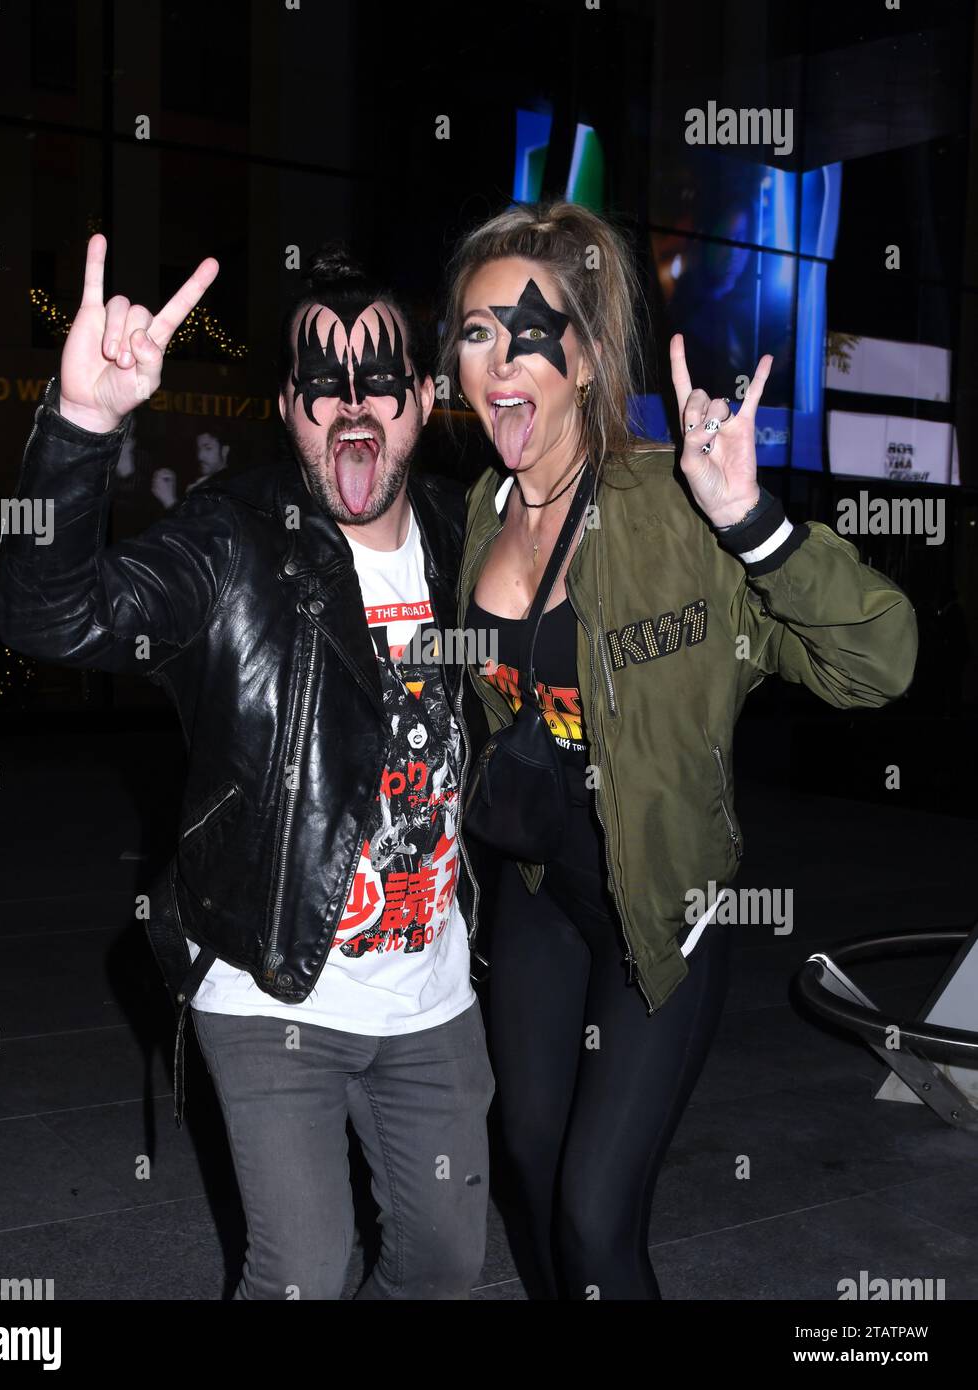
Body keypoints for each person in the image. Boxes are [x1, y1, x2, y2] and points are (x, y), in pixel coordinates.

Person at [0, 234, 495, 1301]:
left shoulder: (468, 533)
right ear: (286, 410)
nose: (352, 407)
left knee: (447, 1266)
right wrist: (82, 424)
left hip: (433, 994)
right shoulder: (232, 545)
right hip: (271, 983)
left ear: (421, 401)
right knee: (303, 1273)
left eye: (381, 384)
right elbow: (49, 614)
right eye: (321, 387)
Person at [437, 200, 919, 1300]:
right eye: (473, 332)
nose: (500, 361)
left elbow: (878, 662)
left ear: (590, 352)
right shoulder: (481, 505)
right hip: (535, 894)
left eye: (528, 331)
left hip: (660, 915)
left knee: (596, 1218)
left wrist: (751, 520)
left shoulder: (673, 509)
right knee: (522, 1161)